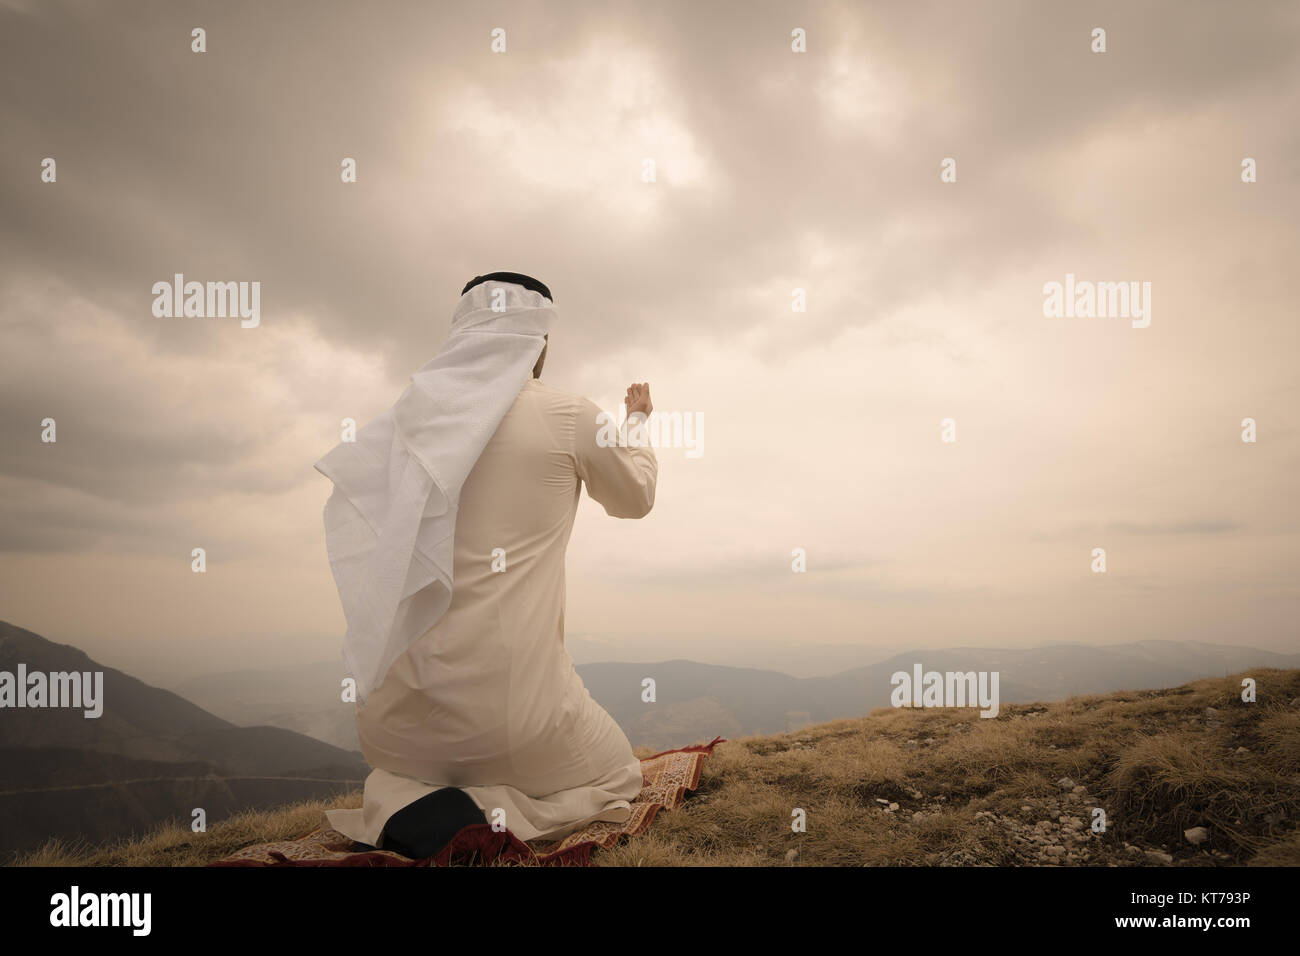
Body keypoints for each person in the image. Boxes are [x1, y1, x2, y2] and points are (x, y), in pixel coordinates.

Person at [314, 272, 657, 856]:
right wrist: (638, 424)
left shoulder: (406, 424)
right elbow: (636, 498)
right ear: (539, 342)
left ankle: (406, 803)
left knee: (399, 777)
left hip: (394, 731)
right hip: (516, 722)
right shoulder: (570, 414)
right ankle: (489, 817)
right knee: (620, 774)